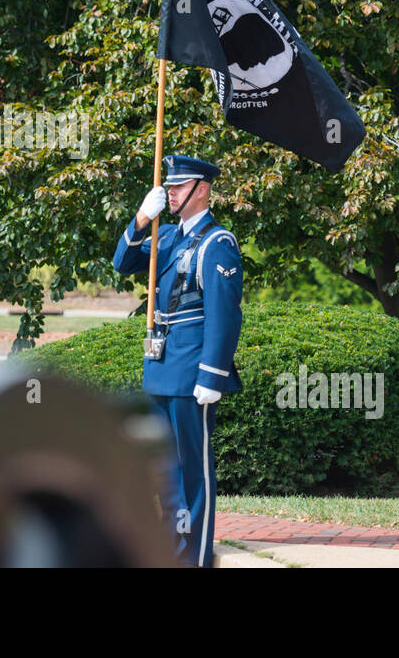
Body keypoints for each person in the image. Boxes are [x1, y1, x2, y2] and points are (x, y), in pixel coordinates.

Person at [112, 154, 244, 567]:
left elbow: (225, 315)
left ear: (201, 190)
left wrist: (213, 373)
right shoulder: (167, 236)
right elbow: (122, 263)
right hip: (159, 371)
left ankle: (196, 558)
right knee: (166, 477)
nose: (169, 193)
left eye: (178, 187)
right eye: (168, 187)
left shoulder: (218, 243)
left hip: (190, 376)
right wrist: (138, 221)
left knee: (192, 475)